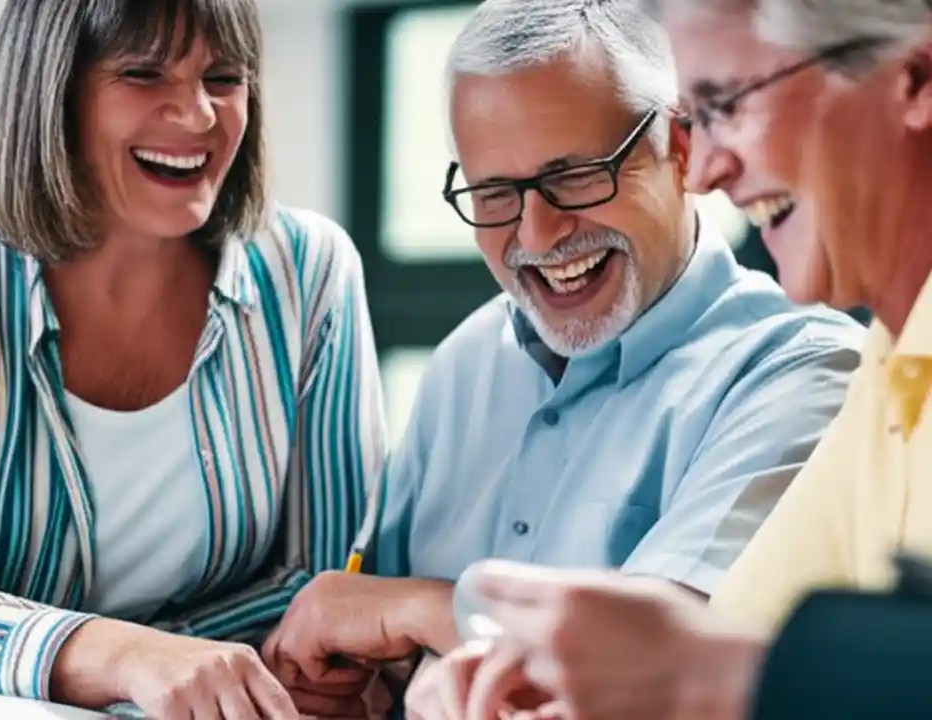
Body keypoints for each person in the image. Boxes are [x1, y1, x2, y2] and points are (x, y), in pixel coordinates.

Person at [261, 0, 861, 712]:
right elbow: (369, 648)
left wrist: (427, 610)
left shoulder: (803, 374)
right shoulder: (465, 364)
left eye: (575, 175)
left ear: (679, 146)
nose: (538, 235)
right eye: (495, 193)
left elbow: (651, 679)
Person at [0, 1, 385, 718]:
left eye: (224, 78)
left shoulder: (309, 273)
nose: (198, 116)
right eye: (143, 73)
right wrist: (133, 659)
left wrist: (174, 663)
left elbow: (330, 584)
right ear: (52, 92)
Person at [406, 1, 932, 718]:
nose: (709, 171)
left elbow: (707, 659)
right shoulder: (889, 364)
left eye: (728, 104)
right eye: (495, 193)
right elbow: (712, 642)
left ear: (915, 78)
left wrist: (716, 677)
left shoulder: (807, 363)